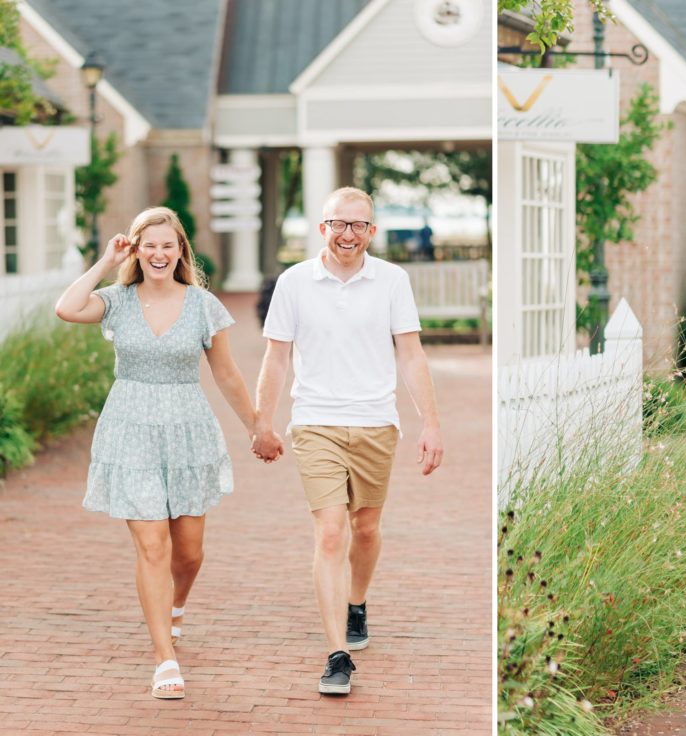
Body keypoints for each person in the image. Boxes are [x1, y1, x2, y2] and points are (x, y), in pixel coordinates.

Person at [54, 207, 259, 699]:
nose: (159, 254)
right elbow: (66, 307)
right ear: (137, 250)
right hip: (131, 430)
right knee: (152, 546)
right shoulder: (117, 300)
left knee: (188, 553)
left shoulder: (204, 305)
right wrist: (105, 261)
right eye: (150, 245)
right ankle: (164, 656)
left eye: (168, 245)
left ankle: (176, 604)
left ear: (181, 250)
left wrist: (258, 427)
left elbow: (227, 374)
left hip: (188, 431)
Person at [252, 187, 445, 695]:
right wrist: (263, 422)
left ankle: (356, 601)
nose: (348, 234)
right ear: (322, 228)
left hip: (376, 422)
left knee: (365, 526)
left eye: (358, 225)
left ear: (371, 232)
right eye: (338, 224)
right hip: (315, 421)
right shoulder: (294, 283)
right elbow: (276, 358)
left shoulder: (392, 281)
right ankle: (337, 654)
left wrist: (431, 422)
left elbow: (410, 354)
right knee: (332, 532)